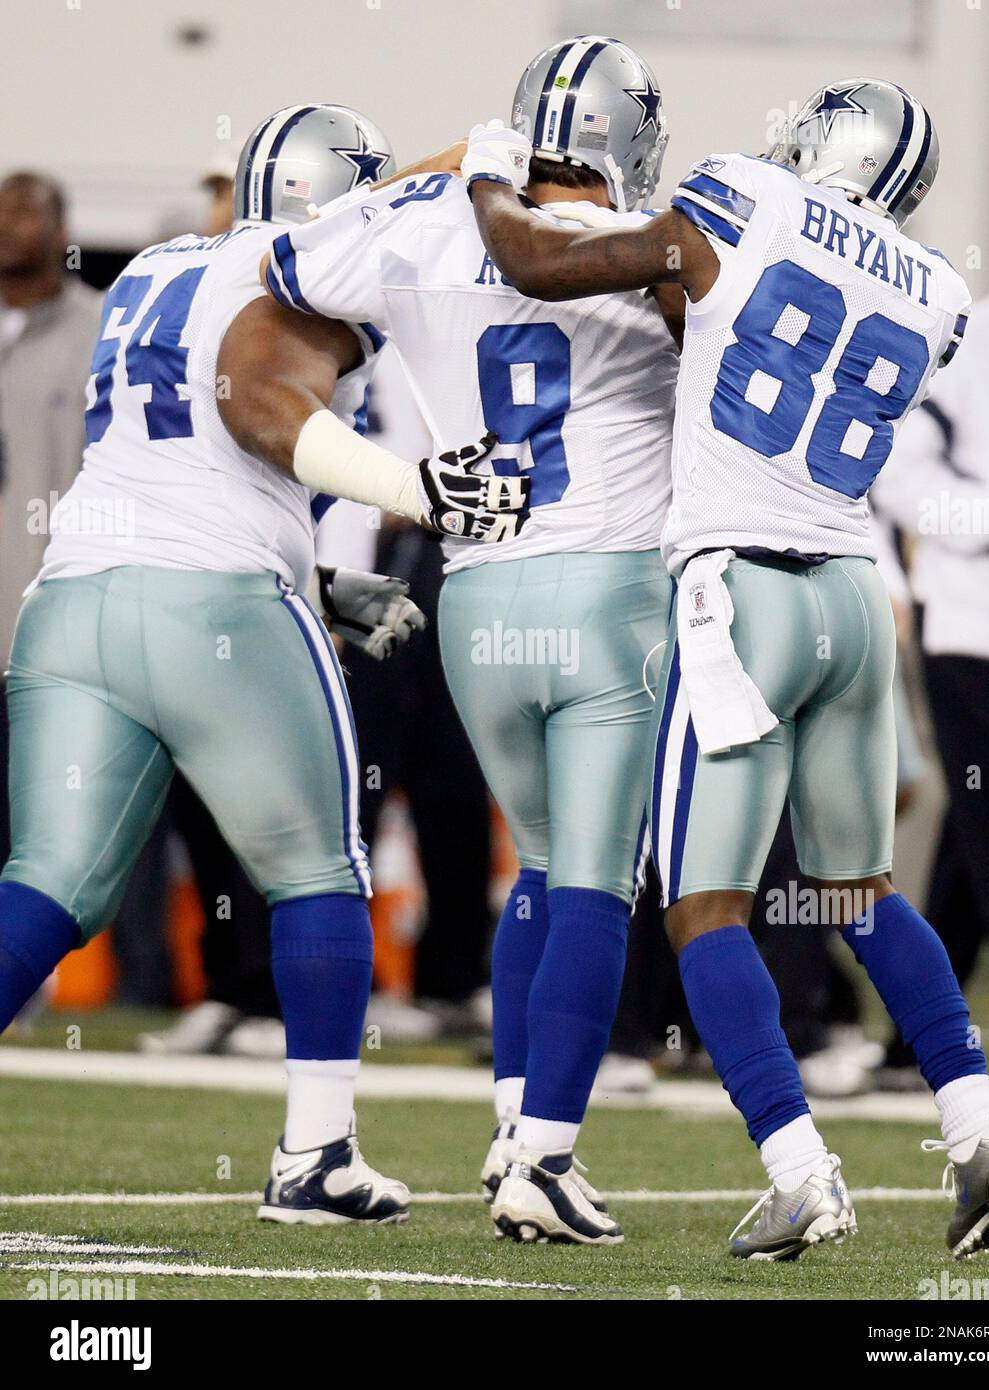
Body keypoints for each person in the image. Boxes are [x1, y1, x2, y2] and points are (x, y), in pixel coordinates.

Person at [465, 77, 989, 1260]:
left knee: (702, 909)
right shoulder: (936, 288)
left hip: (740, 592)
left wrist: (487, 173)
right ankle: (981, 1128)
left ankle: (798, 1169)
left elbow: (545, 265)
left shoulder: (740, 194)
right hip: (851, 593)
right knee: (859, 892)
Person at [0, 104, 526, 1229]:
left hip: (73, 602)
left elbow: (178, 462)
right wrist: (416, 492)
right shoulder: (298, 277)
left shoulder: (155, 269)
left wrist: (323, 582)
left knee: (48, 886)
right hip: (214, 608)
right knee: (320, 871)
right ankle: (316, 1155)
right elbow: (260, 415)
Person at [255, 35, 679, 1244]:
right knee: (591, 875)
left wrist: (440, 167)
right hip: (605, 588)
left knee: (538, 863)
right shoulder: (654, 243)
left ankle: (511, 1124)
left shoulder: (430, 220)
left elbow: (280, 258)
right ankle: (542, 1154)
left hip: (475, 592)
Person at [873, 191, 989, 1099]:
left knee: (972, 839)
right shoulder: (966, 342)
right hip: (971, 622)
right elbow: (898, 478)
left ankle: (912, 1041)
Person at [0, 172, 101, 869]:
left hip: (60, 632)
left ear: (62, 232)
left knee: (72, 835)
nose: (7, 223)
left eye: (25, 211)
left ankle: (145, 957)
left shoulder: (101, 327)